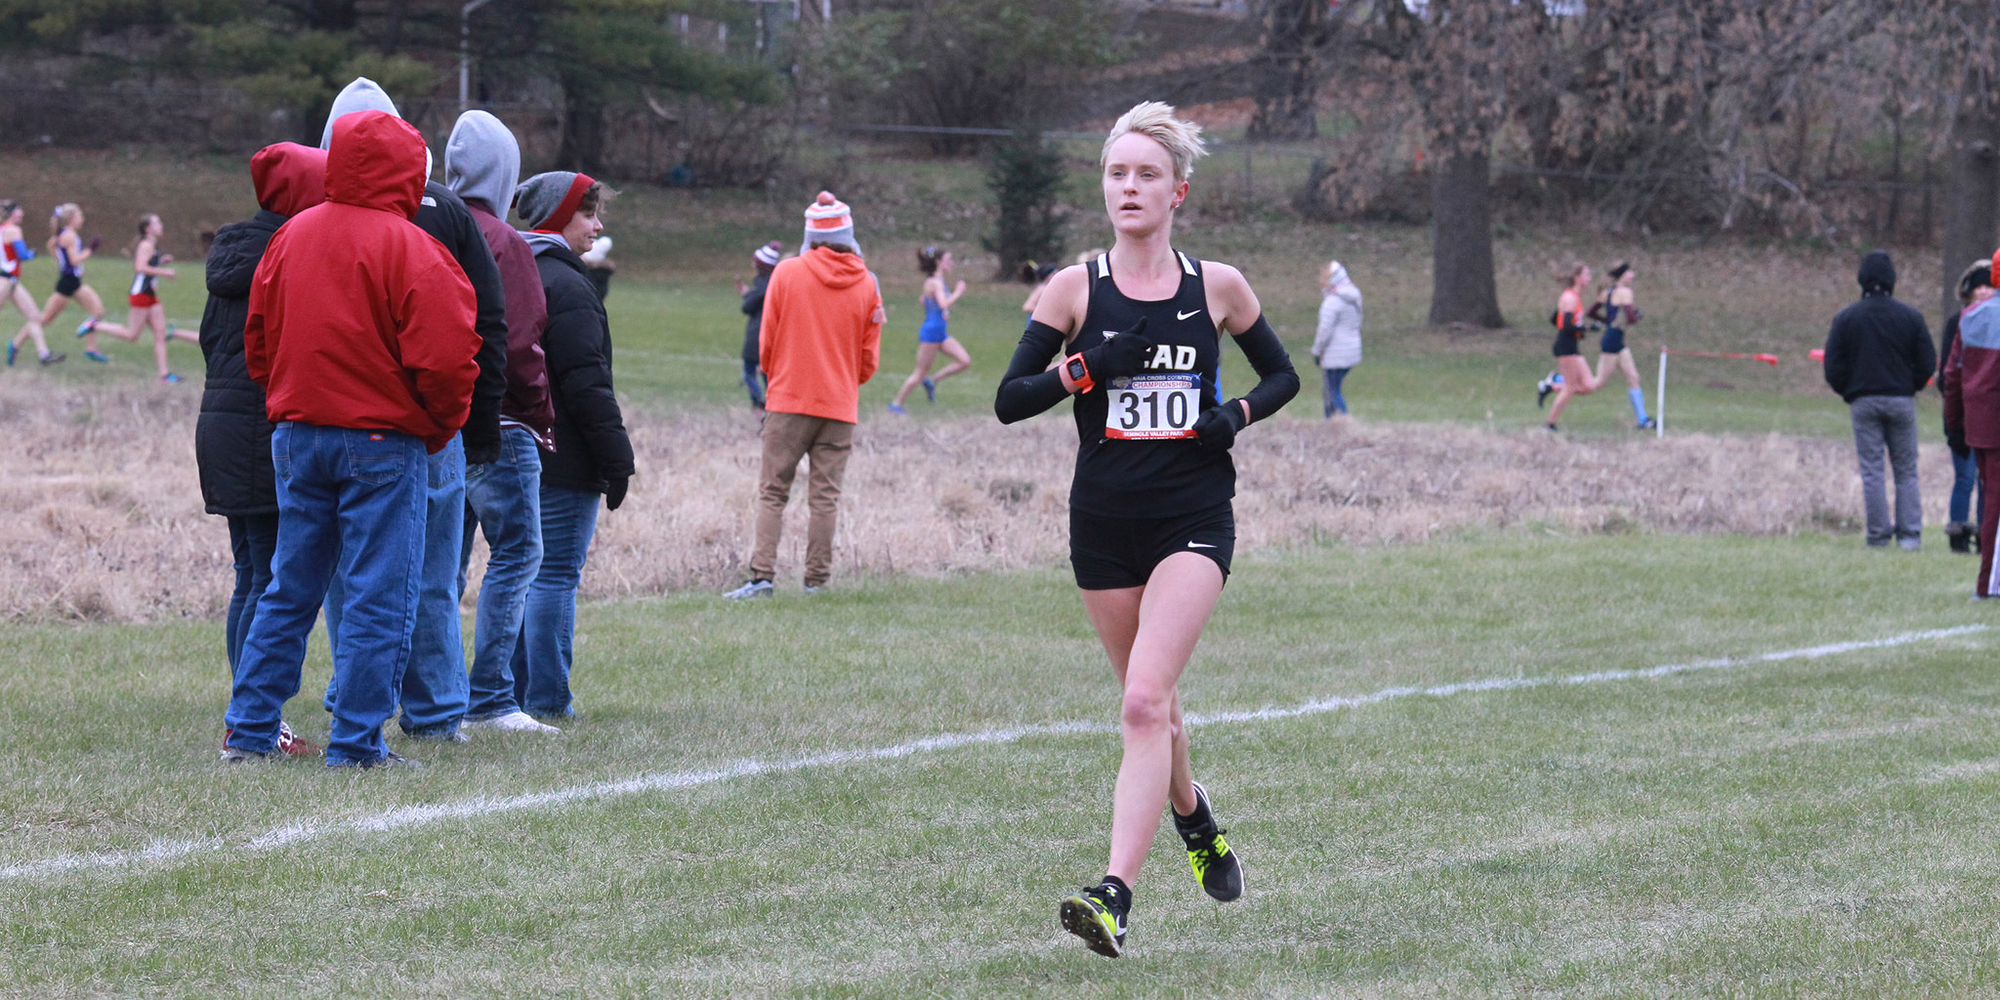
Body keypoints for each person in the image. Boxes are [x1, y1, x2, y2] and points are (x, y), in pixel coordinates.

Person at [995, 101, 1299, 958]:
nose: (1129, 187)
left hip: (1193, 519)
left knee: (1139, 703)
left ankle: (1114, 895)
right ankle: (1195, 818)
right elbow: (1010, 401)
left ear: (1178, 193)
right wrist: (1087, 365)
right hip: (1102, 526)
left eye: (1146, 175)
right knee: (1152, 704)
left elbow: (1283, 377)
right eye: (1117, 174)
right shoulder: (1073, 288)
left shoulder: (1217, 287)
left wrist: (1231, 415)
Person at [222, 109, 480, 767]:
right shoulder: (414, 247)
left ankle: (249, 729)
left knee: (290, 584)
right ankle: (358, 741)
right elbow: (449, 358)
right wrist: (435, 427)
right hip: (381, 441)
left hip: (297, 432)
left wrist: (290, 400)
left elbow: (258, 338)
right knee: (379, 592)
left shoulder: (292, 234)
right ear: (409, 173)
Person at [317, 77, 510, 744]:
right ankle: (431, 709)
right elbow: (482, 323)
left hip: (324, 419)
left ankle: (354, 694)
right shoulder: (443, 213)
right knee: (427, 573)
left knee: (345, 570)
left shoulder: (309, 215)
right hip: (423, 423)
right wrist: (476, 422)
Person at [198, 142, 328, 760]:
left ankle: (249, 713)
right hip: (262, 428)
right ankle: (254, 718)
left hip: (223, 428)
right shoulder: (287, 256)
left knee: (251, 573)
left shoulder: (232, 255)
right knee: (272, 579)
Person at [445, 109, 563, 735]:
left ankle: (434, 693)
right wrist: (539, 408)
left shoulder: (433, 227)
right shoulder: (502, 241)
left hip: (442, 421)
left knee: (445, 563)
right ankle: (490, 694)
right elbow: (520, 340)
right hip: (503, 421)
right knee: (518, 551)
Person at [512, 170, 635, 719]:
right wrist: (617, 459)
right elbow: (587, 381)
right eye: (589, 214)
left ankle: (503, 693)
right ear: (560, 218)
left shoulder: (515, 272)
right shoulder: (569, 286)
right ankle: (547, 699)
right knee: (555, 574)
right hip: (564, 456)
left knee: (517, 572)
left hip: (517, 449)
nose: (598, 224)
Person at [723, 191, 883, 600]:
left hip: (789, 400)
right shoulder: (867, 284)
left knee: (773, 491)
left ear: (810, 235)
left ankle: (762, 577)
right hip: (840, 406)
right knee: (825, 498)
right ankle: (816, 582)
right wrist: (843, 382)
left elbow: (767, 345)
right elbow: (869, 360)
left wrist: (780, 381)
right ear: (849, 234)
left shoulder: (788, 273)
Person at [1822, 249, 1934, 550]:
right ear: (1892, 281)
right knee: (1906, 469)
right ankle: (1910, 536)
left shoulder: (1846, 318)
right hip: (1900, 400)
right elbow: (1927, 362)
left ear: (1862, 281)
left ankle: (1878, 536)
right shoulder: (1910, 317)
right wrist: (1910, 386)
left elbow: (1833, 367)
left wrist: (1850, 391)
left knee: (1872, 470)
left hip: (1864, 402)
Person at [101, 214, 201, 383]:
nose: (161, 225)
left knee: (160, 334)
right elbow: (139, 267)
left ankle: (164, 375)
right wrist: (165, 272)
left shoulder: (151, 245)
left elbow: (148, 264)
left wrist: (161, 261)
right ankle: (95, 325)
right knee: (131, 335)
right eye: (157, 223)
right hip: (140, 295)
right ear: (148, 229)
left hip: (150, 295)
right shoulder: (146, 245)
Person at [1940, 259, 1990, 555]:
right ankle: (1958, 530)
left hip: (1989, 414)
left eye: (1989, 286)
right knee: (1965, 476)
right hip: (1963, 413)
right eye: (1978, 287)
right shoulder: (1956, 324)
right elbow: (1948, 373)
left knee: (1988, 479)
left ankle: (1987, 531)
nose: (1983, 291)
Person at [40, 203, 129, 362]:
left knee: (98, 312)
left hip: (74, 282)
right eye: (80, 216)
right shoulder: (69, 235)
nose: (83, 218)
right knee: (45, 319)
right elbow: (74, 260)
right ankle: (16, 343)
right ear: (71, 219)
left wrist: (61, 260)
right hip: (67, 284)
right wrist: (91, 249)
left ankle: (91, 349)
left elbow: (51, 247)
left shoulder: (66, 234)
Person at [888, 245, 971, 413]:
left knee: (964, 361)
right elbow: (943, 304)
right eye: (949, 260)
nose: (951, 263)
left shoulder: (936, 282)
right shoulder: (935, 282)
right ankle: (895, 405)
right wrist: (959, 292)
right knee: (919, 373)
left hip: (941, 333)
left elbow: (925, 301)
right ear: (939, 262)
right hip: (931, 334)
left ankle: (932, 381)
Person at [1535, 262, 1603, 431]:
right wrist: (1587, 327)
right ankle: (1549, 424)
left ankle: (1550, 386)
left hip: (1572, 347)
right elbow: (1565, 325)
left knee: (1589, 386)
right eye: (1587, 275)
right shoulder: (1570, 298)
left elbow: (1555, 319)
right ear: (1577, 278)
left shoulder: (1573, 297)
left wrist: (1581, 327)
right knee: (1570, 388)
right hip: (1565, 347)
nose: (1589, 278)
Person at [1587, 261, 1654, 429]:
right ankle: (1555, 382)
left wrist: (1607, 321)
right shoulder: (1625, 292)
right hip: (1611, 343)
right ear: (1623, 275)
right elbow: (1630, 318)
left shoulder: (1608, 292)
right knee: (1598, 383)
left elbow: (1591, 312)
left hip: (1617, 342)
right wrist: (1638, 316)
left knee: (1633, 378)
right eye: (1630, 272)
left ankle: (1643, 421)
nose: (1633, 275)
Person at [0, 199, 61, 367]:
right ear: (12, 213)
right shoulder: (13, 230)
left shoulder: (3, 229)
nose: (22, 214)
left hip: (11, 282)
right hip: (4, 280)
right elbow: (23, 255)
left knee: (34, 316)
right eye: (20, 211)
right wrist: (33, 253)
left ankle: (44, 354)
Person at [1310, 259, 1361, 417]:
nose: (1320, 282)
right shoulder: (1353, 297)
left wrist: (1317, 352)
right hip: (1352, 350)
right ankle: (1332, 424)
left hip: (1335, 353)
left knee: (1332, 392)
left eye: (1323, 278)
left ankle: (1340, 423)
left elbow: (1324, 331)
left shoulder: (1332, 302)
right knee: (1331, 390)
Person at [738, 240, 782, 409]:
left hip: (757, 334)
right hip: (772, 334)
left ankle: (759, 401)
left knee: (749, 371)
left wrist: (747, 296)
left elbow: (747, 307)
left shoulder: (761, 286)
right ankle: (772, 401)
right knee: (767, 371)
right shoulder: (775, 282)